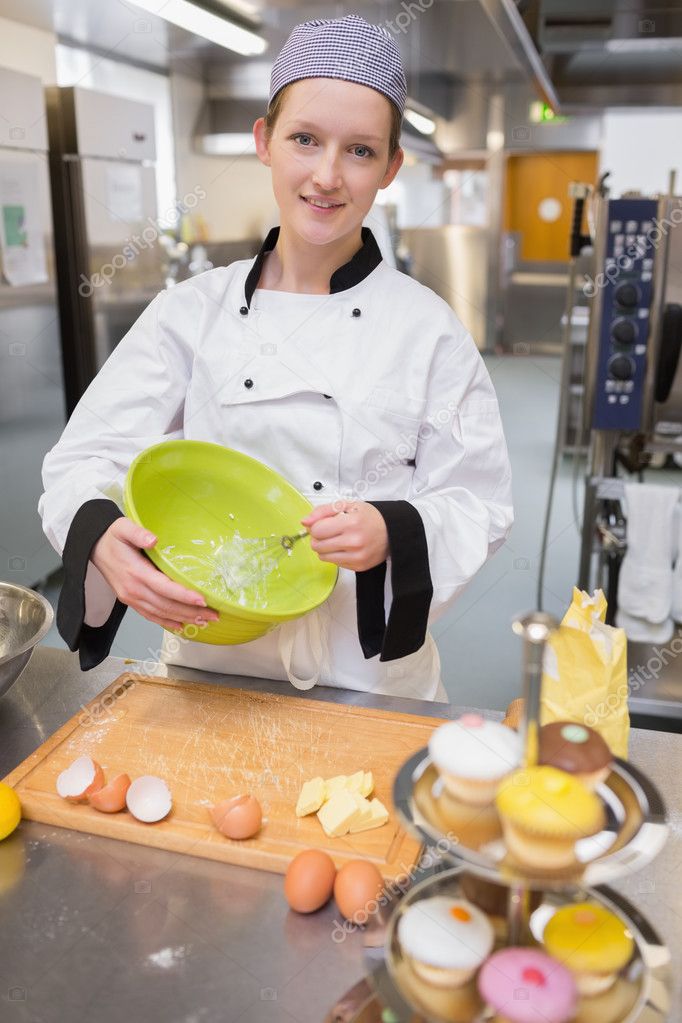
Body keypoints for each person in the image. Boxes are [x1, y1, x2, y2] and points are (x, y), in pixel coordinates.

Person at [39, 15, 513, 702]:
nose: (327, 175)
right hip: (210, 673)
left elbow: (480, 501)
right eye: (305, 140)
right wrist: (103, 531)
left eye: (358, 150)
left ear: (390, 167)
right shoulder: (190, 312)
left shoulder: (428, 331)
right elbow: (85, 456)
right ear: (264, 142)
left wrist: (394, 530)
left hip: (369, 678)